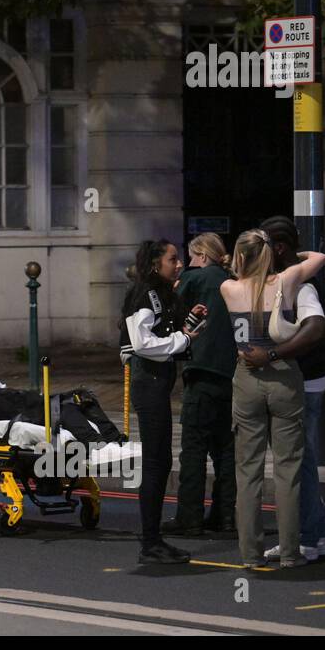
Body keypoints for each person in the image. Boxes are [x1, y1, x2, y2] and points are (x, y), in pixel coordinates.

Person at [220, 229, 325, 568]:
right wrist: (287, 256)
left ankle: (251, 554)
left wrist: (239, 260)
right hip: (284, 377)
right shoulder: (288, 281)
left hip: (247, 380)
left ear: (240, 256)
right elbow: (318, 260)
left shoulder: (229, 289)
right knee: (288, 470)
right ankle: (291, 552)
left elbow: (235, 272)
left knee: (248, 471)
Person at [120, 239, 208, 565]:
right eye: (173, 258)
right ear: (156, 262)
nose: (180, 263)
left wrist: (188, 323)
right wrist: (183, 338)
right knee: (156, 464)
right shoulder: (145, 293)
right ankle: (150, 541)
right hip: (149, 385)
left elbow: (162, 333)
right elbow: (142, 342)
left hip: (157, 385)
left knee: (160, 463)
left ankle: (153, 539)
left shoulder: (161, 294)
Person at [251, 216, 325, 562]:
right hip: (291, 380)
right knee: (296, 461)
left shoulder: (301, 286)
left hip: (304, 382)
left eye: (263, 247)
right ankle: (312, 535)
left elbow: (314, 328)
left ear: (278, 249)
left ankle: (312, 537)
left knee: (300, 463)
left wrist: (271, 354)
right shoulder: (288, 279)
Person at [164, 233, 237, 536]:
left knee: (193, 448)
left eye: (192, 257)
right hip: (232, 374)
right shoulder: (233, 280)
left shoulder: (197, 278)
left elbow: (171, 312)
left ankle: (189, 517)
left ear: (203, 256)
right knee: (226, 450)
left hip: (202, 370)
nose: (188, 263)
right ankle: (225, 516)